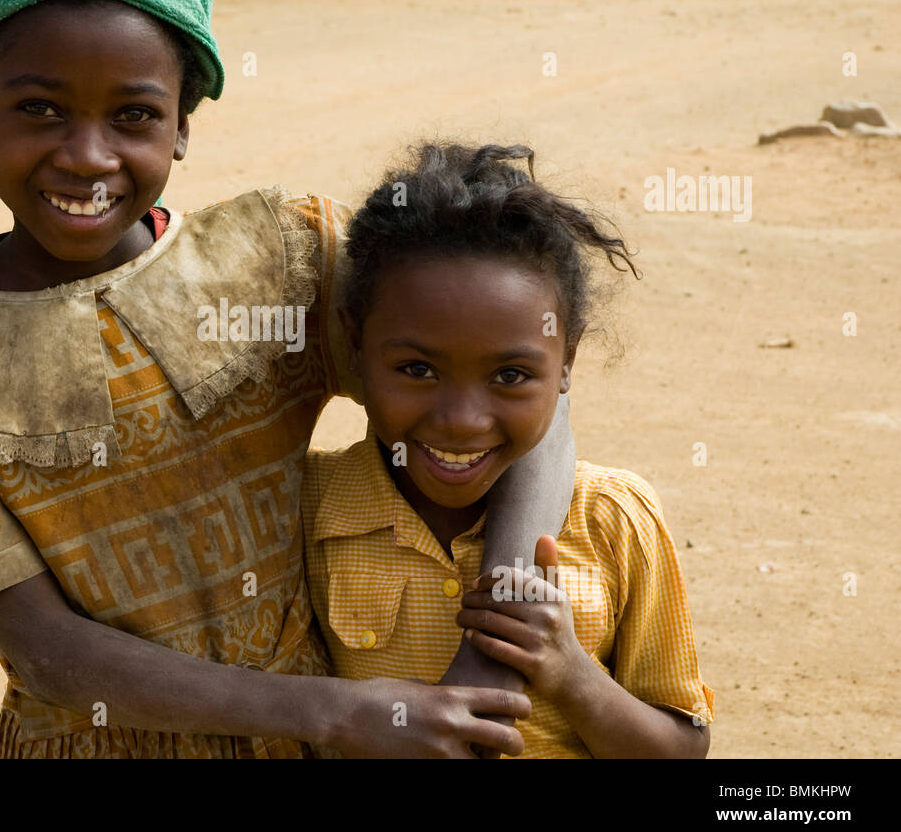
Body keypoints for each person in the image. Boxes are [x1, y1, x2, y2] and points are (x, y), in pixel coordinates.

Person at [0, 0, 570, 758]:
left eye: (135, 115)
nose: (88, 155)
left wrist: (500, 629)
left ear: (183, 121)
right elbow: (46, 653)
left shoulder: (284, 256)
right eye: (40, 108)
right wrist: (331, 713)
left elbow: (527, 392)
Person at [304, 142, 716, 757]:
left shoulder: (614, 517)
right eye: (417, 369)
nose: (463, 421)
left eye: (510, 376)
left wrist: (570, 672)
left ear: (566, 362)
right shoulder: (309, 508)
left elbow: (682, 747)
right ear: (357, 348)